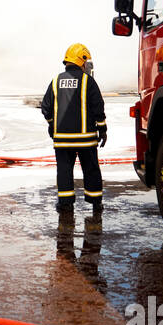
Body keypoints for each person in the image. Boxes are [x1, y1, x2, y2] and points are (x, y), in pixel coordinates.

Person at [41, 43, 107, 216]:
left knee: (64, 171)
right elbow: (98, 107)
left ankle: (65, 205)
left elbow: (46, 108)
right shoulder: (88, 81)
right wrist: (103, 129)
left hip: (62, 138)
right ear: (82, 60)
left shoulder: (56, 81)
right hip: (86, 139)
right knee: (91, 169)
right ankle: (95, 204)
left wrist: (51, 124)